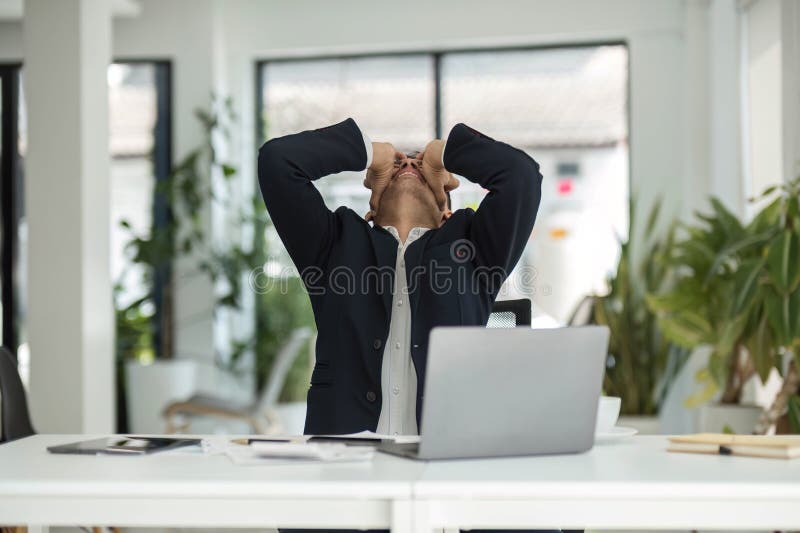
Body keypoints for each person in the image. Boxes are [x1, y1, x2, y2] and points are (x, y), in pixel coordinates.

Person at [258, 118, 542, 436]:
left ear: (445, 210)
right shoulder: (335, 245)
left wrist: (444, 154)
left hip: (445, 460)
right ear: (371, 208)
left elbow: (522, 177)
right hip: (344, 463)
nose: (407, 163)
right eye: (397, 166)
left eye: (419, 164)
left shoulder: (473, 249)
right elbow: (278, 162)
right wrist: (370, 154)